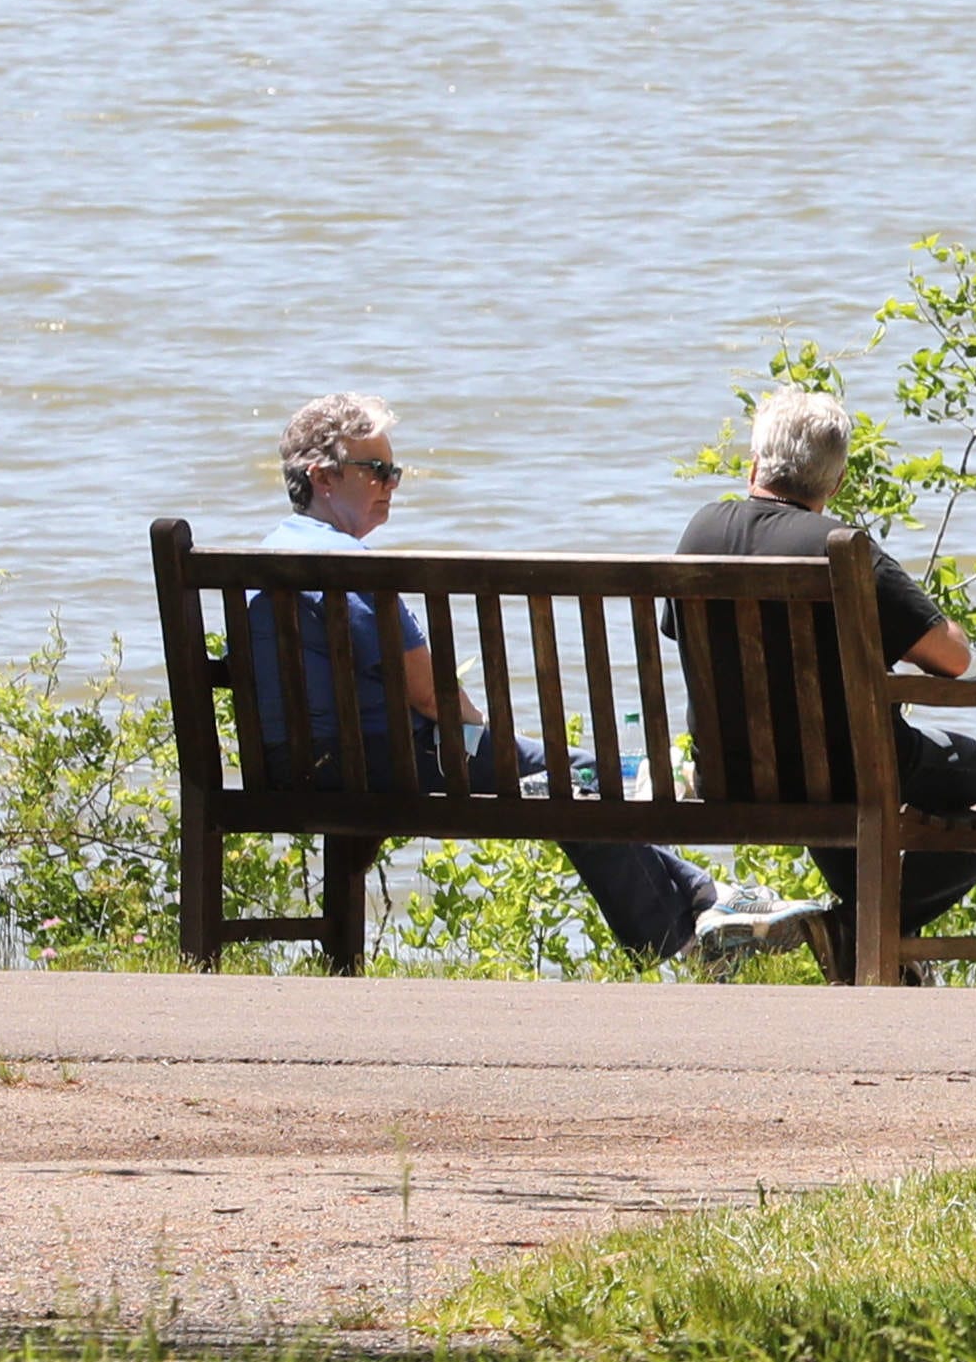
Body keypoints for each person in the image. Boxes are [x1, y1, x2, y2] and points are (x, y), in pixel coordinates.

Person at [205, 392, 798, 969]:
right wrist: (479, 740)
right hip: (386, 765)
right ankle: (686, 931)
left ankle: (704, 898)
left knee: (567, 775)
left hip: (292, 768)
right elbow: (429, 692)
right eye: (377, 470)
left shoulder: (268, 558)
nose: (391, 484)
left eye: (396, 471)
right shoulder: (344, 568)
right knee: (567, 783)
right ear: (323, 478)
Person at [674, 388, 976, 957]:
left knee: (834, 769)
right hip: (850, 772)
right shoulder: (842, 550)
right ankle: (861, 925)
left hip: (729, 773)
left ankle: (859, 932)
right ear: (837, 482)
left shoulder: (701, 533)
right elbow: (953, 660)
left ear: (753, 464)